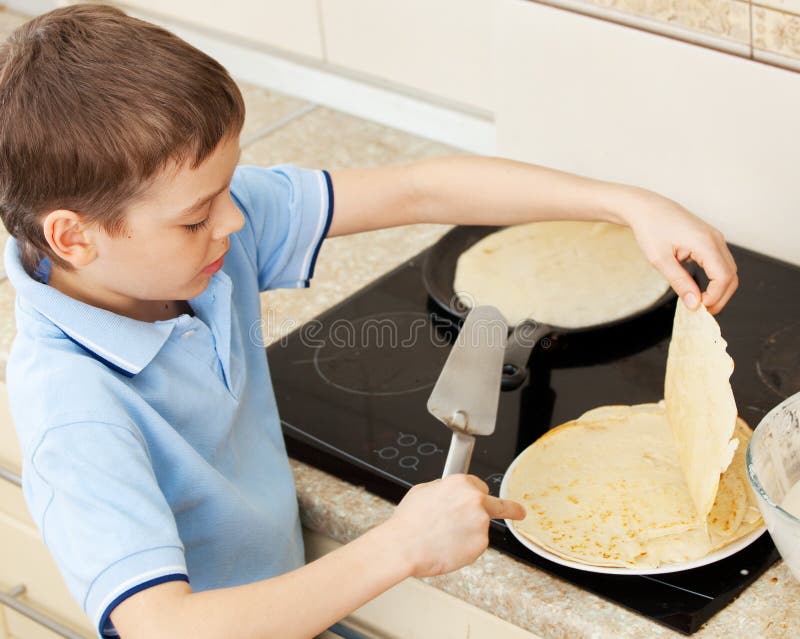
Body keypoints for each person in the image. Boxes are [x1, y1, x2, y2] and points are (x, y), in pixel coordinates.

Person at [0, 4, 738, 639]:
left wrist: (626, 204)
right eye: (197, 215)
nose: (234, 217)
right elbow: (166, 626)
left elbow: (417, 189)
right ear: (73, 237)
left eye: (226, 189)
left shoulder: (193, 242)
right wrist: (402, 546)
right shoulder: (74, 409)